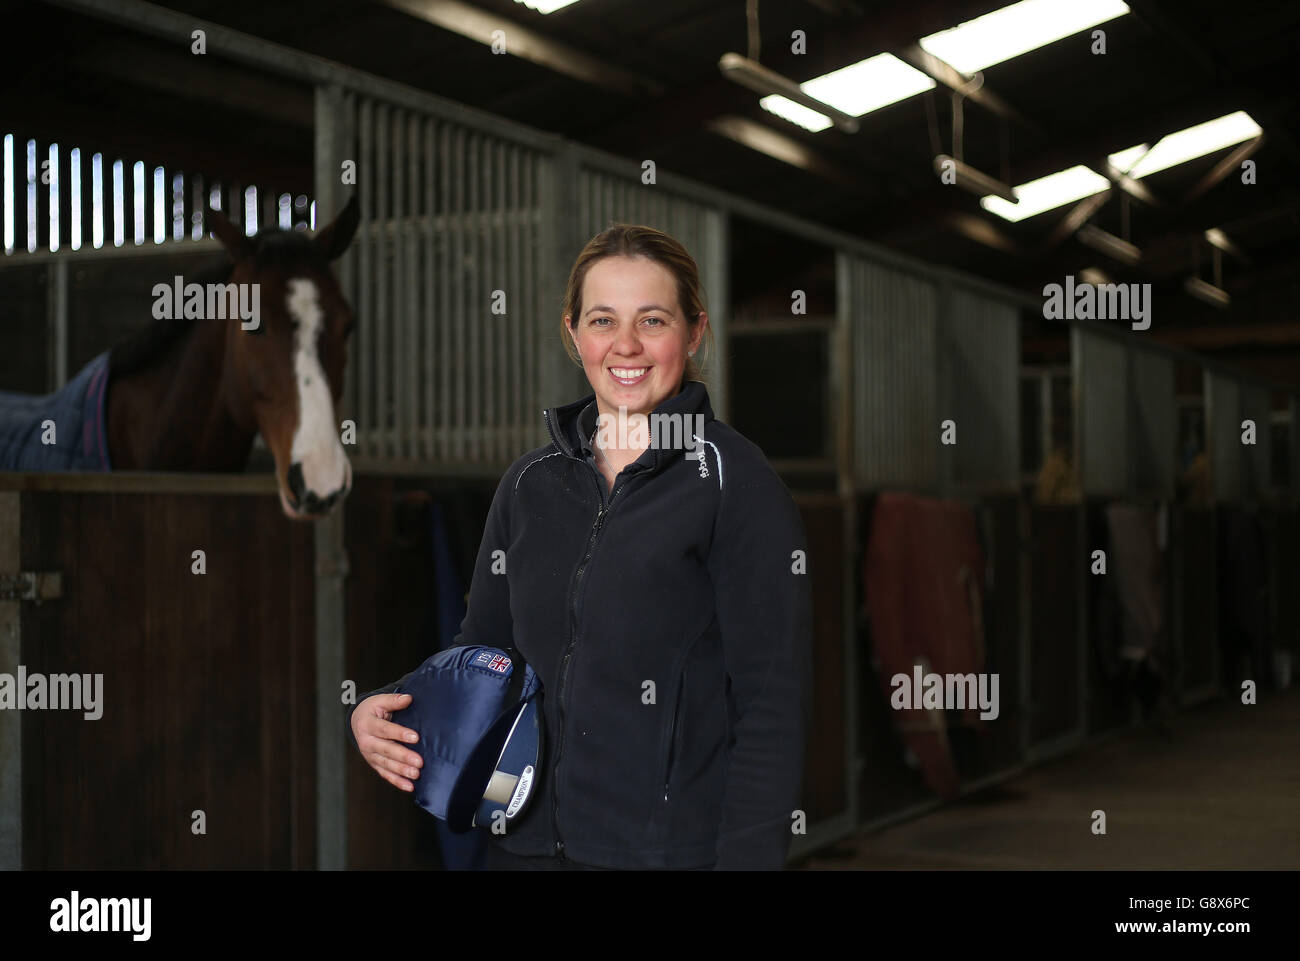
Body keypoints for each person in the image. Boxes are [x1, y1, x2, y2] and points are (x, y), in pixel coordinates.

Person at [348, 223, 812, 870]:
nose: (626, 345)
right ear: (574, 333)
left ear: (695, 331)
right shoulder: (529, 484)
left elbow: (770, 706)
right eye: (603, 320)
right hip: (523, 850)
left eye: (653, 320)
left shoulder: (735, 483)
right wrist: (391, 705)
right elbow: (483, 654)